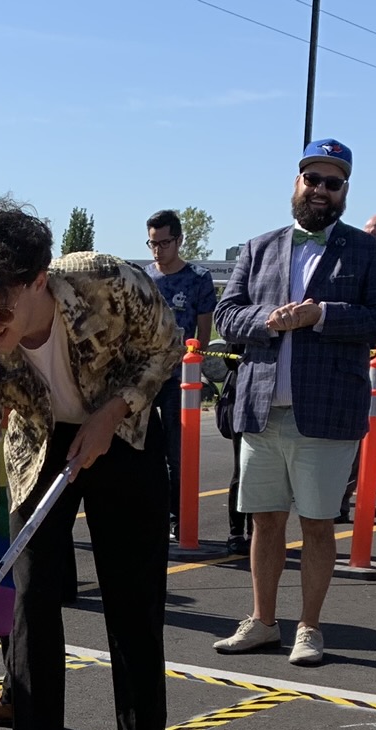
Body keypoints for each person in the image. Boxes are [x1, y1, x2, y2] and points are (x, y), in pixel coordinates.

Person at [0, 202, 181, 730]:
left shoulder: (104, 281)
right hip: (40, 445)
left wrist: (115, 410)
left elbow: (166, 343)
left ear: (36, 279)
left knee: (133, 601)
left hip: (126, 432)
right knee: (30, 604)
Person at [211, 138, 376, 667]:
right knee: (265, 520)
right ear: (296, 183)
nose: (320, 190)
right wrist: (267, 320)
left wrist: (322, 316)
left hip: (325, 414)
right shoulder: (259, 247)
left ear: (345, 192)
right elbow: (228, 316)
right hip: (261, 410)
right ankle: (262, 621)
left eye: (332, 183)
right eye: (311, 179)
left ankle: (309, 628)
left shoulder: (367, 253)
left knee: (317, 524)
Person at [145, 208, 219, 537]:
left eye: (163, 243)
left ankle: (178, 518)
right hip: (146, 377)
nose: (158, 251)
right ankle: (150, 515)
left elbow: (203, 331)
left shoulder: (198, 279)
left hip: (179, 379)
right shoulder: (144, 277)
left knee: (177, 454)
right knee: (146, 454)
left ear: (178, 240)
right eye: (152, 244)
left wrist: (194, 368)